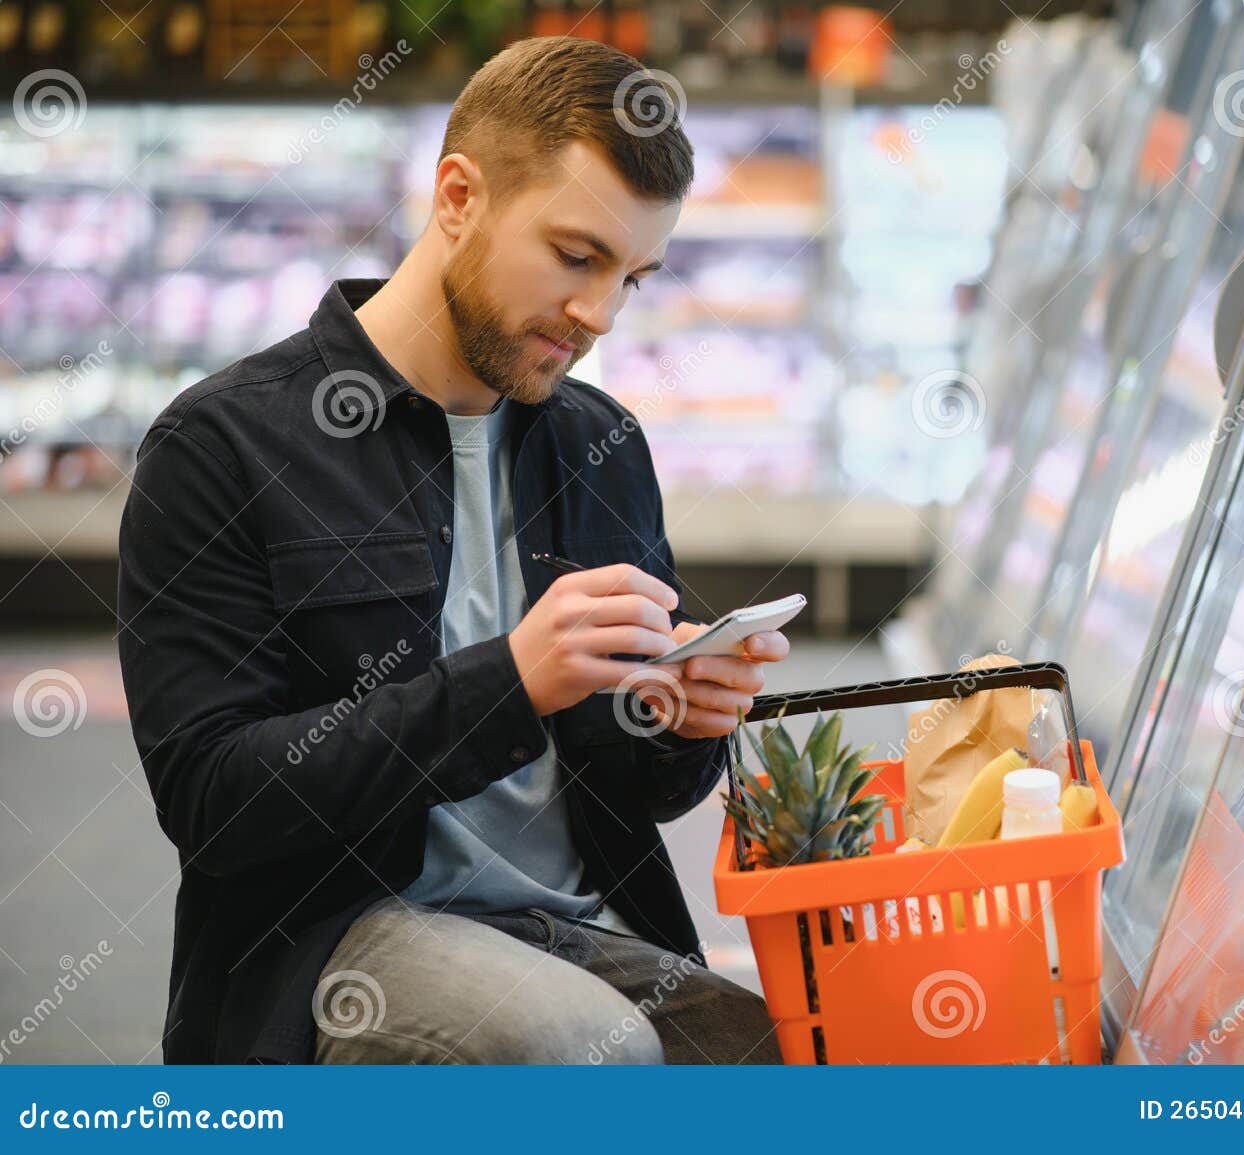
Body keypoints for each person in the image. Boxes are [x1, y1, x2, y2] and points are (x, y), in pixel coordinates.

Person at [116, 36, 789, 1065]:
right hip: (331, 945)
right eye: (575, 256)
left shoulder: (596, 446)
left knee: (787, 1061)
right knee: (585, 1052)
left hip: (579, 923)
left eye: (632, 280)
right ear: (458, 196)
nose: (598, 315)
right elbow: (215, 804)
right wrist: (511, 683)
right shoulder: (223, 446)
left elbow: (640, 791)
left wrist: (680, 713)